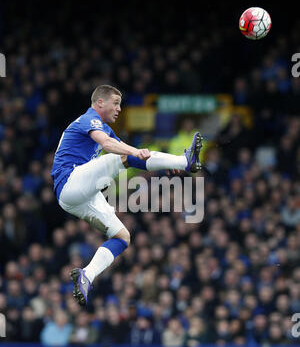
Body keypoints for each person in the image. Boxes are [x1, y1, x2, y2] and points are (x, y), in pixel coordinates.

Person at [51, 84, 203, 306]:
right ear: (99, 103)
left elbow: (129, 151)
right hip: (70, 182)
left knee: (122, 237)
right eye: (116, 103)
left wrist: (158, 161)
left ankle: (86, 276)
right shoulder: (88, 119)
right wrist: (138, 153)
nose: (119, 109)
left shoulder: (104, 128)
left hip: (76, 196)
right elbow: (109, 145)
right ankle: (186, 161)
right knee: (118, 158)